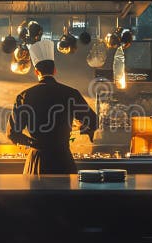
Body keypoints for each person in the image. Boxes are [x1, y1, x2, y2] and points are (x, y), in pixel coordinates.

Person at [7, 39, 98, 174]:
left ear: (36, 72)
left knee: (36, 195)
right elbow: (93, 121)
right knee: (61, 195)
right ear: (55, 70)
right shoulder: (71, 94)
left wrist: (33, 143)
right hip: (63, 159)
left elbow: (12, 134)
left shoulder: (24, 96)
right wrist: (81, 127)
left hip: (37, 161)